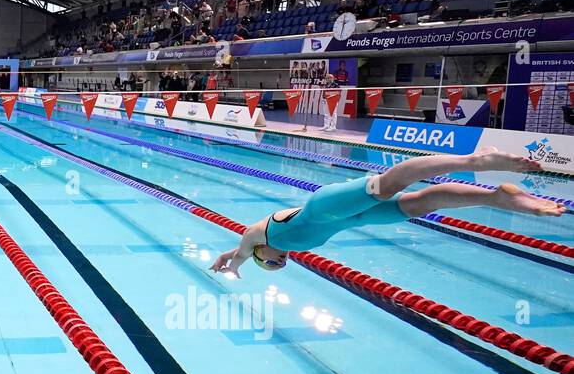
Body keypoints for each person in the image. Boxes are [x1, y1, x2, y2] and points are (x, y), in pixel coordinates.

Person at [210, 150, 564, 276]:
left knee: (388, 184)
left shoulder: (256, 235)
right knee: (421, 204)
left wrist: (234, 264)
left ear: (259, 251)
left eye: (271, 263)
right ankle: (496, 199)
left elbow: (240, 253)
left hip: (324, 207)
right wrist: (234, 258)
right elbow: (238, 254)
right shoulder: (271, 246)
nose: (280, 262)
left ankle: (475, 161)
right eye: (278, 266)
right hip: (352, 219)